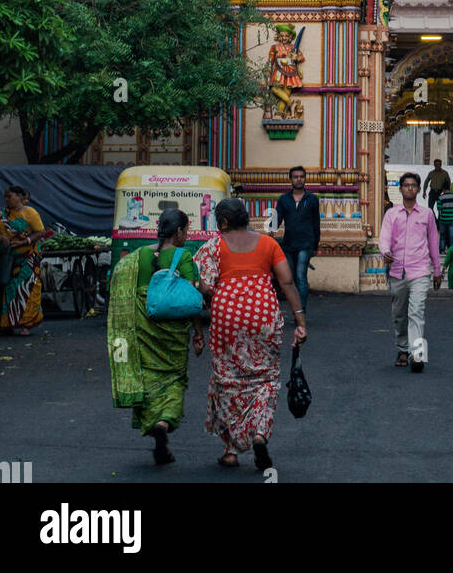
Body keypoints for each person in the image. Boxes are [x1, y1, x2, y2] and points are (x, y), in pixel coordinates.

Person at [194, 197, 307, 470]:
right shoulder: (269, 244)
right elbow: (287, 281)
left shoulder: (214, 247)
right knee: (265, 378)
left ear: (222, 222)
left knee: (227, 379)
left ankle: (231, 450)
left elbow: (204, 285)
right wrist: (300, 319)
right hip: (263, 315)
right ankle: (259, 433)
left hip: (227, 318)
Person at [107, 208, 205, 465]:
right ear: (180, 231)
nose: (188, 234)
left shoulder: (137, 257)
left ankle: (155, 425)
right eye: (187, 230)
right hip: (173, 334)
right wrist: (198, 332)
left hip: (143, 328)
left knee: (149, 376)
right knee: (174, 379)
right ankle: (164, 422)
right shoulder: (184, 256)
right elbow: (193, 300)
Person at [379, 172, 441, 372]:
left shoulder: (427, 215)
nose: (409, 188)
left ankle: (418, 355)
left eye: (413, 185)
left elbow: (433, 242)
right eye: (406, 185)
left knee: (416, 312)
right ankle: (402, 348)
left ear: (418, 189)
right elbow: (384, 237)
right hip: (397, 270)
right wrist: (385, 252)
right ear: (400, 189)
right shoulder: (391, 214)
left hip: (420, 270)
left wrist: (437, 270)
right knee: (399, 315)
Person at [0, 186, 46, 335]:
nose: (7, 199)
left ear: (19, 197)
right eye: (6, 196)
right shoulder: (2, 215)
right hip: (8, 259)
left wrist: (24, 242)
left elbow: (41, 232)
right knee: (7, 290)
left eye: (10, 196)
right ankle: (7, 324)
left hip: (27, 259)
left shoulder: (30, 213)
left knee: (26, 290)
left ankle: (26, 325)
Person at [268, 166, 320, 311]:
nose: (299, 179)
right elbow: (277, 217)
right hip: (289, 244)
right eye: (296, 177)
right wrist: (272, 229)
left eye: (301, 176)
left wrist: (316, 245)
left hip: (306, 243)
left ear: (305, 179)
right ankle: (295, 308)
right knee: (290, 279)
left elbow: (316, 223)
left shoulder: (312, 199)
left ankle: (301, 310)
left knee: (300, 276)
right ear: (290, 179)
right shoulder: (284, 199)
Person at [435, 180, 453, 255]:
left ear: (443, 189)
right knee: (452, 236)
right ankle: (451, 251)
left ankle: (442, 251)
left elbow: (439, 208)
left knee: (442, 236)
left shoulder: (440, 198)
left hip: (443, 220)